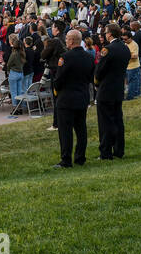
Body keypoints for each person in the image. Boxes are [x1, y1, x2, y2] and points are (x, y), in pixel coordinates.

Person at [52, 28, 95, 168]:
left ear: (71, 41)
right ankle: (80, 157)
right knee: (81, 129)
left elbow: (59, 79)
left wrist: (56, 89)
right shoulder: (89, 57)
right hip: (82, 96)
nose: (66, 41)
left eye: (67, 39)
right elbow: (91, 77)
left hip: (66, 98)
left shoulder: (65, 57)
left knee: (65, 131)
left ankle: (66, 160)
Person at [93, 22, 130, 160]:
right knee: (118, 120)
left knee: (105, 122)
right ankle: (119, 150)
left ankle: (106, 151)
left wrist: (96, 82)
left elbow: (100, 70)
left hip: (106, 89)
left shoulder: (108, 49)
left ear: (109, 34)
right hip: (118, 88)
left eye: (106, 32)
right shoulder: (125, 48)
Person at [5, 33, 27, 107]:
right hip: (20, 72)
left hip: (14, 72)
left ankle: (15, 107)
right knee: (19, 91)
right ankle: (20, 105)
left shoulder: (14, 54)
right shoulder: (22, 53)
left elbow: (9, 64)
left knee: (13, 91)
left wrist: (8, 70)